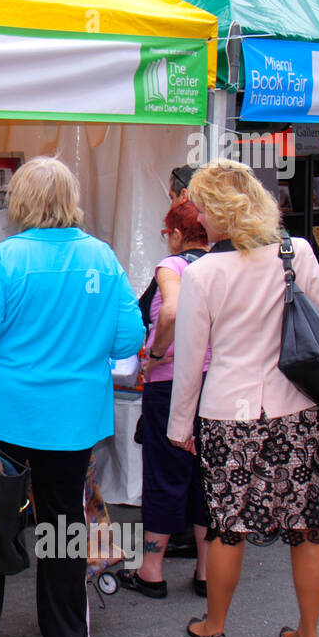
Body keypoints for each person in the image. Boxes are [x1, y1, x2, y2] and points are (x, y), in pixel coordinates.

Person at [0, 156, 144, 637]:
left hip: (4, 416)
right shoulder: (101, 257)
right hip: (74, 419)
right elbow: (129, 338)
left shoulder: (4, 259)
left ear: (20, 202)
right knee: (65, 526)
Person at [171, 160, 319, 637]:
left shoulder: (203, 271)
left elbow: (191, 360)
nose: (199, 218)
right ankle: (308, 635)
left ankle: (216, 627)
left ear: (218, 211)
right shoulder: (299, 253)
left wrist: (179, 426)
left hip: (229, 414)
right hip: (298, 409)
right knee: (307, 527)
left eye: (201, 208)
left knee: (230, 525)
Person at [117, 199, 210, 599]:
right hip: (218, 384)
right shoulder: (227, 266)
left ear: (175, 234)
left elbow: (169, 314)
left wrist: (155, 356)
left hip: (171, 384)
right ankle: (207, 572)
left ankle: (151, 570)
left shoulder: (173, 267)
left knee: (165, 472)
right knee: (208, 475)